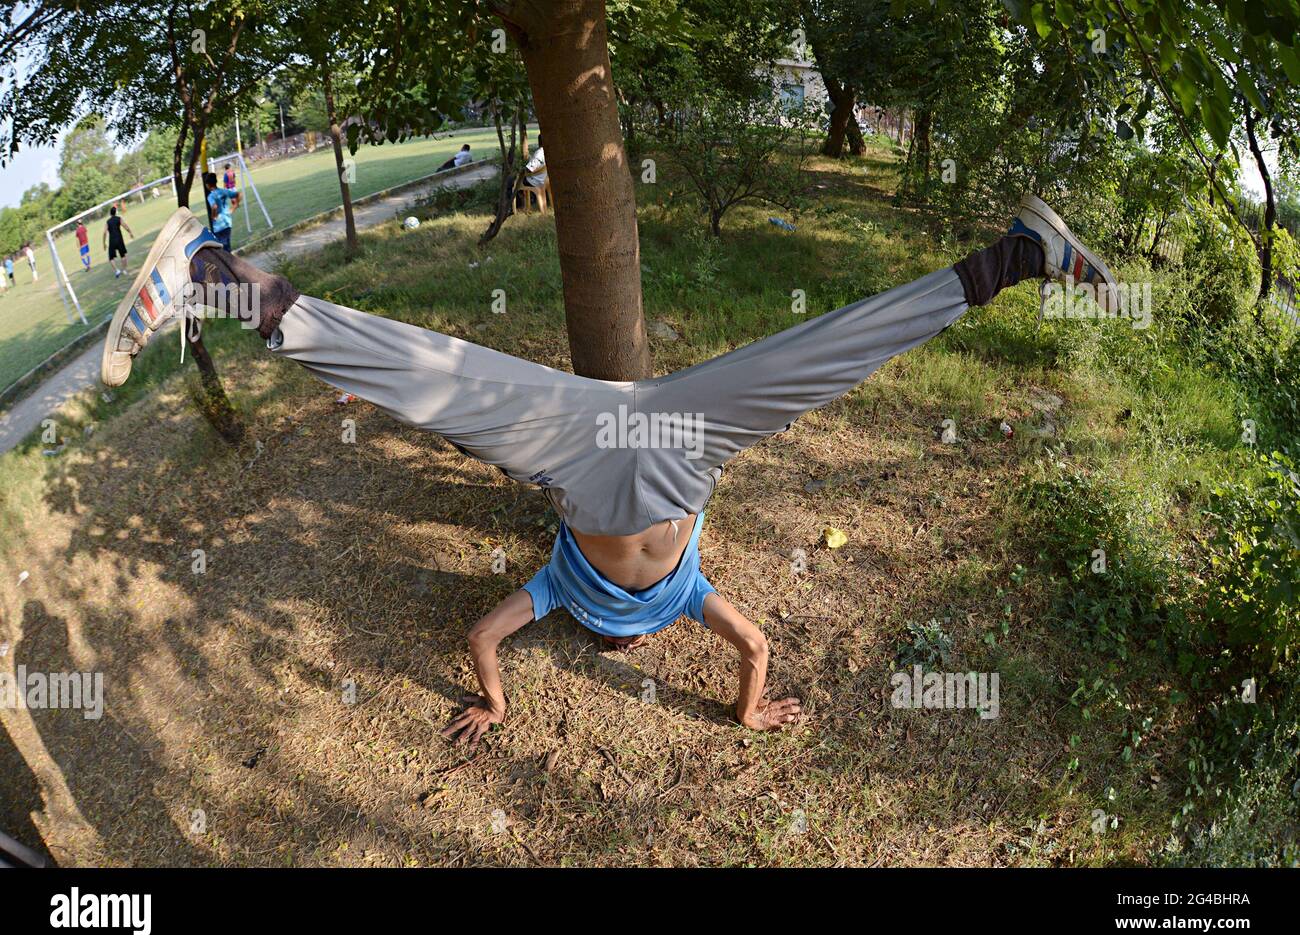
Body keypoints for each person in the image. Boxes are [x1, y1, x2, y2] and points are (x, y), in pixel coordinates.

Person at [101, 194, 1118, 742]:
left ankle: (214, 277)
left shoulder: (558, 589)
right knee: (821, 362)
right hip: (673, 449)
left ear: (598, 622)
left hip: (586, 450)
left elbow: (484, 633)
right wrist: (746, 709)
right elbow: (754, 649)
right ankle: (1012, 260)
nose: (617, 640)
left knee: (434, 378)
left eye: (611, 639)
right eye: (618, 643)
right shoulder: (685, 603)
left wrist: (496, 700)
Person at [202, 171, 241, 251]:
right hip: (227, 222)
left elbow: (214, 206)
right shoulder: (223, 191)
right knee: (227, 246)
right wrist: (234, 207)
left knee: (223, 249)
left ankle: (229, 262)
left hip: (219, 226)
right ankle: (230, 260)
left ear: (207, 185)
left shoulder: (211, 196)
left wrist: (214, 216)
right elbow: (238, 194)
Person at [103, 206, 135, 277]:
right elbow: (125, 226)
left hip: (112, 241)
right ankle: (124, 270)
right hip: (119, 239)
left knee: (111, 258)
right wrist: (130, 232)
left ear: (110, 213)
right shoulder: (119, 219)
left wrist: (104, 243)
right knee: (123, 255)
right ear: (116, 212)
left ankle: (117, 271)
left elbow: (105, 232)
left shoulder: (108, 222)